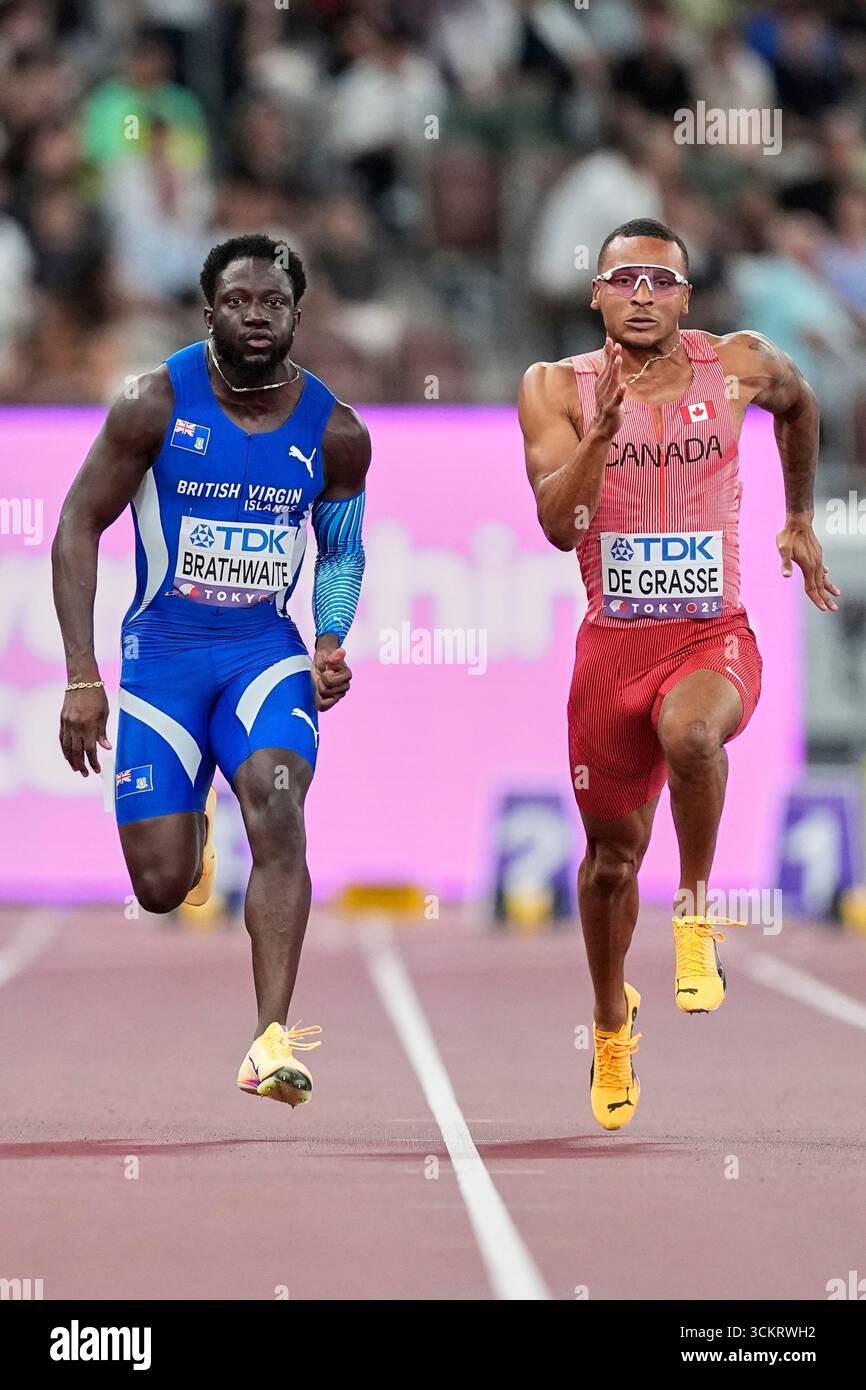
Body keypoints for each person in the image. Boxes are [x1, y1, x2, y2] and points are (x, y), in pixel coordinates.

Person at [518, 217, 838, 1131]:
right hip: (611, 650)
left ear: (687, 299)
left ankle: (696, 913)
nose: (644, 296)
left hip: (712, 634)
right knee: (610, 865)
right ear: (597, 295)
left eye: (662, 281)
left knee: (693, 735)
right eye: (626, 281)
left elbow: (804, 404)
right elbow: (554, 525)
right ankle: (612, 1021)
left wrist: (801, 516)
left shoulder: (737, 364)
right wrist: (598, 439)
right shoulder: (555, 387)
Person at [52, 233, 370, 1108]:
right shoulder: (155, 400)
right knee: (161, 886)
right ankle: (185, 806)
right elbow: (77, 526)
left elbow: (340, 550)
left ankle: (270, 1039)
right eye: (239, 302)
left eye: (273, 302)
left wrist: (331, 637)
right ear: (210, 313)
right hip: (163, 659)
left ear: (298, 314)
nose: (256, 316)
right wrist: (84, 677)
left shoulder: (337, 431)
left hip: (263, 653)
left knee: (276, 796)